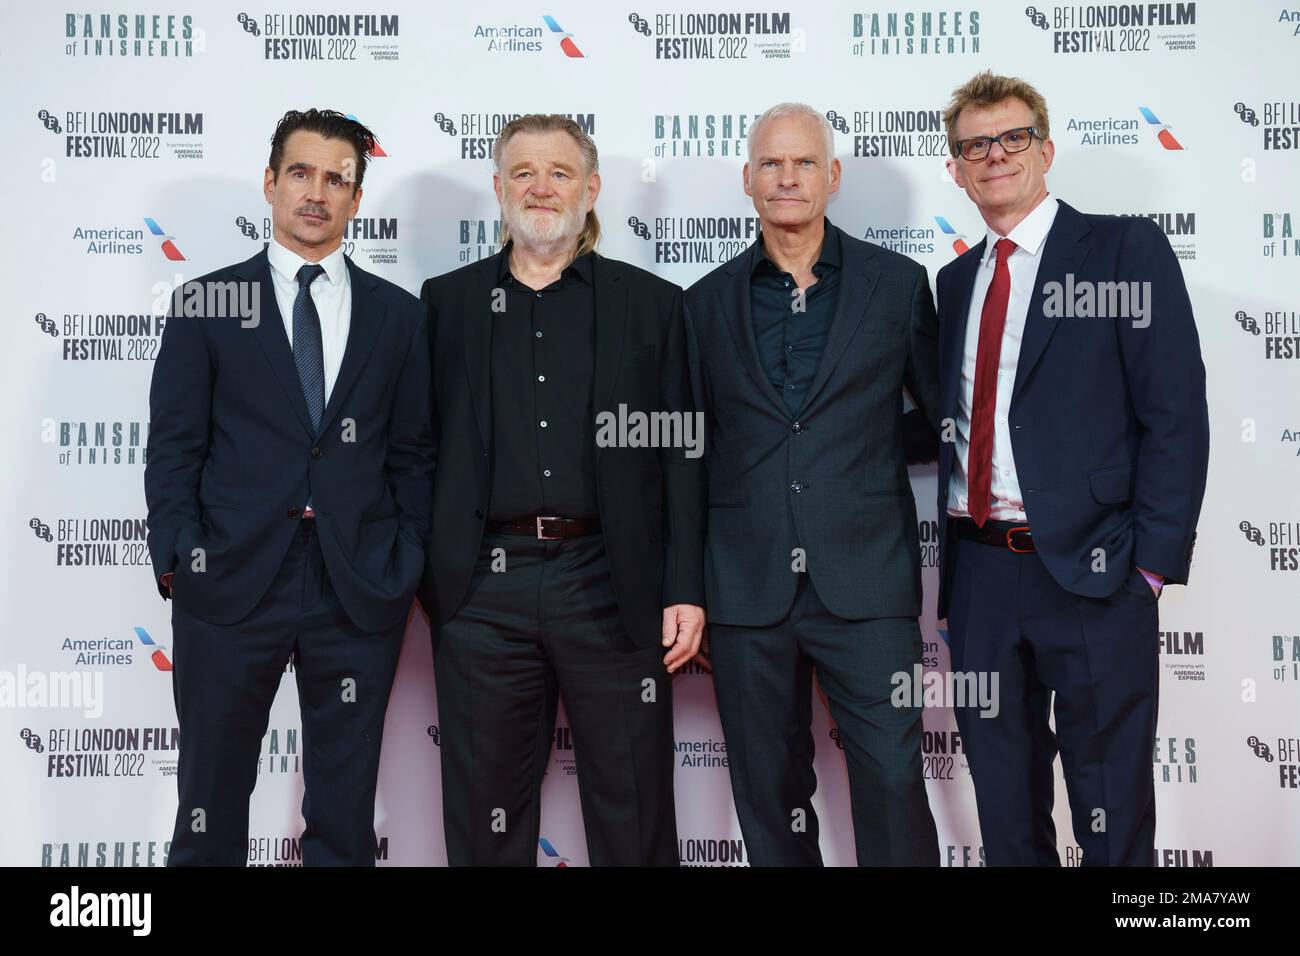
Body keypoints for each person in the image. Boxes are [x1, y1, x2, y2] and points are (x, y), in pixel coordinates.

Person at [144, 109, 434, 866]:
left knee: (343, 807)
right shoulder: (207, 301)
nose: (317, 192)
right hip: (229, 579)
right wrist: (179, 558)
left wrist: (403, 560)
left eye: (337, 178)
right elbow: (174, 447)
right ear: (270, 183)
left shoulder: (398, 318)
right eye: (301, 173)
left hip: (355, 582)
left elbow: (412, 455)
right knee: (210, 798)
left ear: (357, 198)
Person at [936, 72, 1210, 865]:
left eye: (1013, 138)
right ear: (954, 168)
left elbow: (1174, 415)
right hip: (982, 579)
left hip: (1097, 574)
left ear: (1046, 149)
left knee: (1111, 801)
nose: (995, 155)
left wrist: (1149, 570)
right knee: (1005, 802)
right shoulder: (955, 282)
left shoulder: (1124, 249)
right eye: (975, 144)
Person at [418, 114, 706, 866]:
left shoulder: (652, 304)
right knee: (485, 816)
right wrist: (428, 574)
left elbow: (683, 456)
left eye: (559, 173)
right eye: (523, 173)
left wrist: (683, 586)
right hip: (483, 588)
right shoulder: (444, 304)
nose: (540, 188)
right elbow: (415, 451)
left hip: (613, 582)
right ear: (498, 188)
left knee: (634, 807)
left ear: (592, 188)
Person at [684, 102, 941, 866]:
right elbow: (690, 452)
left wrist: (854, 447)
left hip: (866, 583)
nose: (786, 177)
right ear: (747, 179)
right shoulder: (702, 306)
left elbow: (940, 420)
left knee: (893, 783)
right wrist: (687, 585)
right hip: (744, 587)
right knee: (768, 795)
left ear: (832, 176)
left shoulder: (897, 286)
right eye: (771, 163)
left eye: (802, 163)